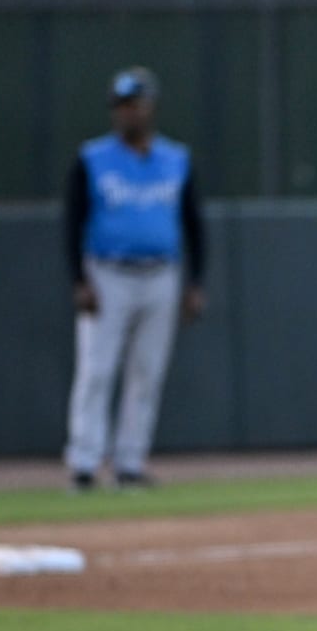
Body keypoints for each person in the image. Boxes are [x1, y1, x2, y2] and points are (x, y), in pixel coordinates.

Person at [62, 66, 206, 492]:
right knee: (97, 370)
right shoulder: (92, 159)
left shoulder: (175, 159)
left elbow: (194, 223)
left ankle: (130, 462)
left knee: (147, 372)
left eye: (137, 105)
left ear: (151, 108)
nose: (130, 114)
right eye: (123, 106)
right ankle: (84, 463)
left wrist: (195, 282)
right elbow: (72, 222)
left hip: (162, 273)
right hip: (107, 273)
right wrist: (78, 279)